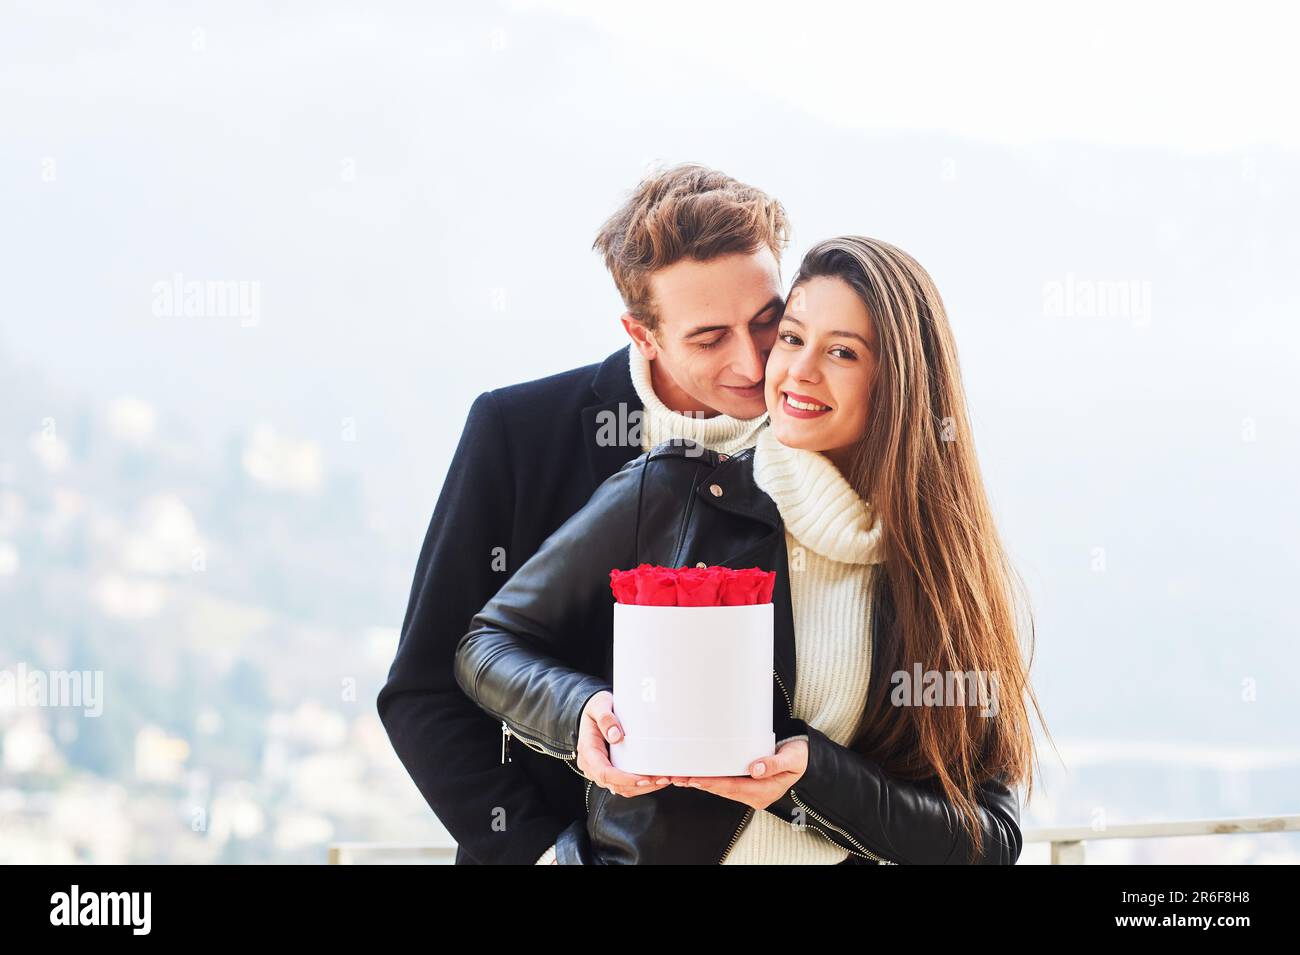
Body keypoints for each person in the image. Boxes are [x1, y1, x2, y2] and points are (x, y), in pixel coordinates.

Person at [455, 236, 1051, 864]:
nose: (798, 371)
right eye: (791, 339)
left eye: (842, 352)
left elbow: (987, 840)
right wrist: (577, 712)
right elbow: (488, 644)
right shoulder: (671, 492)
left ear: (899, 383)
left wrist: (813, 779)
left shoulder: (947, 580)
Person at [377, 162, 793, 864]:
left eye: (768, 321)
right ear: (642, 332)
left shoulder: (828, 432)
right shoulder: (519, 431)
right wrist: (544, 852)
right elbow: (424, 691)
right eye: (709, 337)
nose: (753, 364)